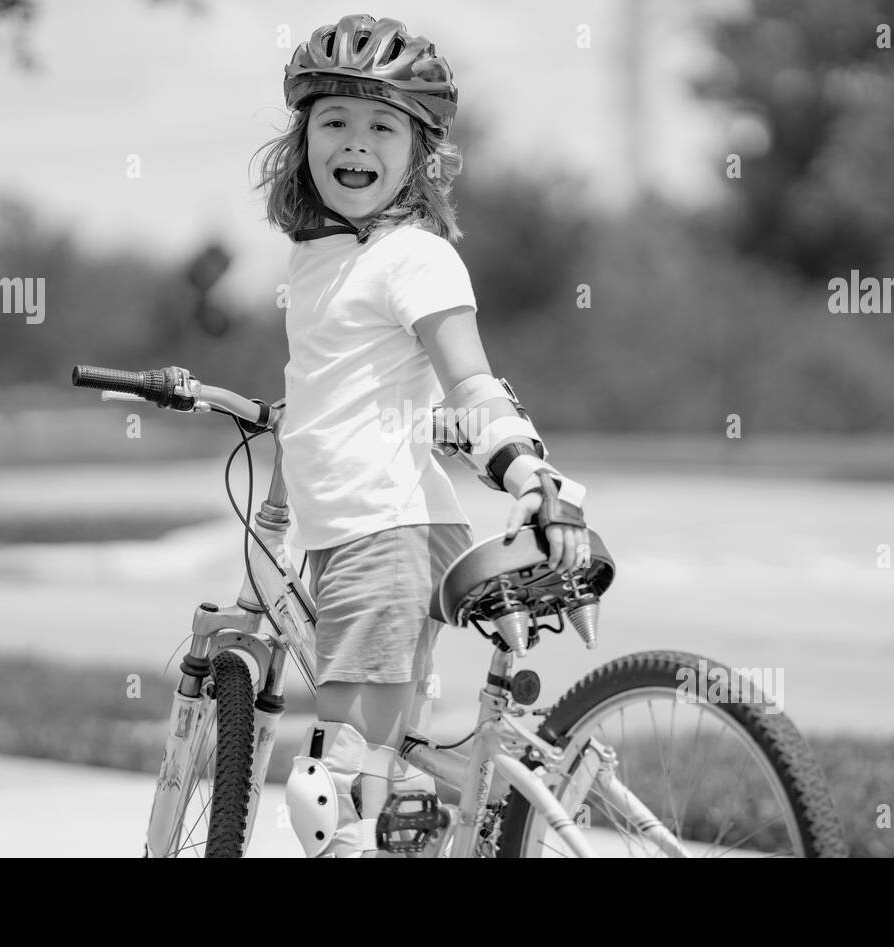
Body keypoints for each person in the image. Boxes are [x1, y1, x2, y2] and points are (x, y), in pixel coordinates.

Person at [252, 13, 590, 857]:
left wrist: (524, 470)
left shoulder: (413, 255)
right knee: (402, 771)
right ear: (303, 140)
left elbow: (467, 378)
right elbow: (331, 401)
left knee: (333, 786)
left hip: (382, 534)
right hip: (371, 532)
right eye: (334, 120)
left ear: (420, 152)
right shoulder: (321, 255)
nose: (355, 142)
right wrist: (280, 511)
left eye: (381, 124)